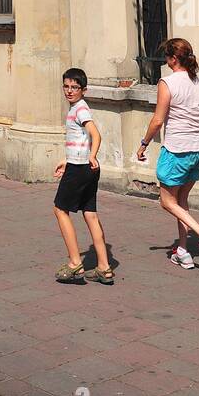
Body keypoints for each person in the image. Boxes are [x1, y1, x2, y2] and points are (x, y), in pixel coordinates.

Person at [136, 37, 199, 271]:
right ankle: (183, 251)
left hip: (177, 149)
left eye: (167, 56)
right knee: (181, 201)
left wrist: (144, 143)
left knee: (166, 201)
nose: (166, 61)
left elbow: (158, 119)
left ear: (173, 59)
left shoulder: (168, 83)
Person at [53, 68, 113, 284]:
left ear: (84, 90)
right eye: (66, 86)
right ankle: (104, 268)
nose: (69, 91)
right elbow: (80, 140)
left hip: (80, 169)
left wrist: (92, 156)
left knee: (60, 209)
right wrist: (66, 159)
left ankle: (74, 262)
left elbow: (95, 134)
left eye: (75, 88)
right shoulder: (76, 108)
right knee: (90, 214)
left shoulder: (80, 109)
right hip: (83, 167)